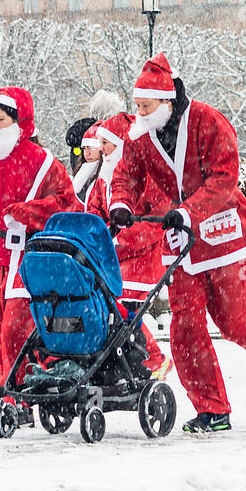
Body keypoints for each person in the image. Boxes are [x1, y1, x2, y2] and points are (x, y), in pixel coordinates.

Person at [109, 53, 246, 434]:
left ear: (166, 101)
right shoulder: (141, 134)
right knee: (185, 326)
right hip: (180, 241)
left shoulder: (208, 122)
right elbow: (126, 174)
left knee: (234, 323)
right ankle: (213, 409)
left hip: (225, 236)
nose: (139, 112)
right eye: (137, 105)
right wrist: (120, 204)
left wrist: (190, 210)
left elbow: (225, 178)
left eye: (145, 105)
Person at [0, 86, 78, 424]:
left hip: (31, 258)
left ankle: (22, 392)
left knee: (15, 329)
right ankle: (19, 391)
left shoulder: (45, 163)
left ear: (19, 120)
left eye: (0, 119)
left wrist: (27, 212)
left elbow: (67, 204)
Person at [77, 113, 171, 380]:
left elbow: (154, 222)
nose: (102, 149)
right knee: (114, 309)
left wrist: (120, 240)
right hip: (113, 258)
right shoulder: (105, 179)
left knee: (125, 311)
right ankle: (130, 359)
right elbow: (95, 213)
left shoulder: (144, 178)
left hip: (140, 259)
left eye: (107, 143)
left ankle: (152, 357)